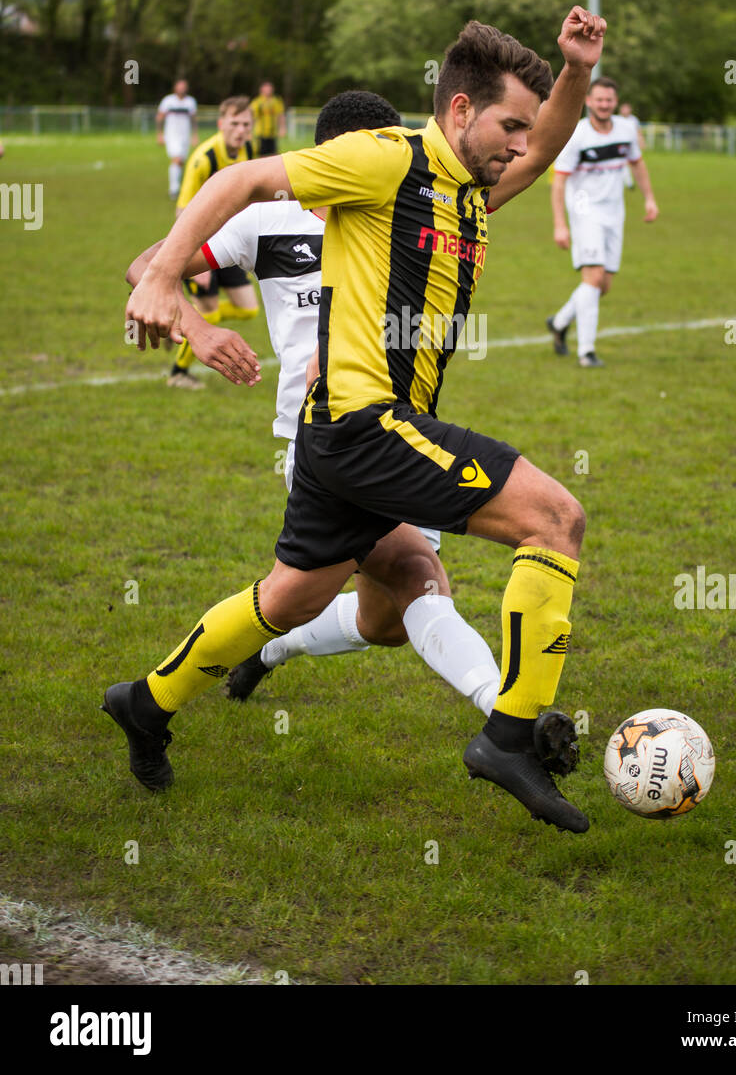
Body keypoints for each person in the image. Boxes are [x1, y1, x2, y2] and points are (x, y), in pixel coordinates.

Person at [107, 5, 605, 835]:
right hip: (366, 426)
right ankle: (510, 735)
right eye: (506, 125)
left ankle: (146, 702)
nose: (520, 145)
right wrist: (165, 285)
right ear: (457, 110)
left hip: (341, 436)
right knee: (555, 519)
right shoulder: (386, 159)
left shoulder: (468, 190)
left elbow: (549, 142)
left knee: (294, 600)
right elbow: (241, 182)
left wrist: (577, 69)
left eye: (524, 128)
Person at [126, 89, 503, 717]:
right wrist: (202, 331)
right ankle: (511, 720)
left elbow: (533, 154)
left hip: (405, 423)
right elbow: (147, 266)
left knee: (381, 620)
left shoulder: (414, 205)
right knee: (418, 576)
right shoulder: (269, 218)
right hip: (329, 433)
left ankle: (251, 658)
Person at [547, 76, 658, 367]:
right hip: (585, 211)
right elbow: (558, 182)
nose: (605, 104)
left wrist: (649, 198)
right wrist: (561, 224)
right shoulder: (578, 135)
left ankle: (559, 323)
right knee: (593, 279)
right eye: (599, 99)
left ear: (615, 102)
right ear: (588, 102)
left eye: (609, 100)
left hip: (614, 213)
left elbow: (637, 163)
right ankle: (587, 352)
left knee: (603, 285)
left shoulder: (626, 130)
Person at [167, 95, 260, 390]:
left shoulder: (248, 150)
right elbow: (183, 212)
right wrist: (194, 259)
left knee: (248, 309)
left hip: (229, 246)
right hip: (199, 248)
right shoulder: (203, 158)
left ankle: (178, 323)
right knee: (206, 316)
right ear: (221, 124)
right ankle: (178, 373)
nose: (240, 130)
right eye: (234, 123)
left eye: (246, 124)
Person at [156, 78, 198, 200]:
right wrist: (159, 134)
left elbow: (193, 120)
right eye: (179, 87)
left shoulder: (190, 102)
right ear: (175, 88)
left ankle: (177, 186)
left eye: (184, 87)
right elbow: (160, 117)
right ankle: (174, 189)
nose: (182, 89)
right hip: (171, 135)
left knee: (181, 162)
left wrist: (194, 135)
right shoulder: (168, 101)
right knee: (177, 159)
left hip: (184, 136)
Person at [250, 81, 286, 157]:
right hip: (260, 133)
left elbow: (280, 115)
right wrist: (249, 131)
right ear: (261, 90)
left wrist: (282, 128)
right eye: (266, 89)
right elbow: (252, 118)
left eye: (270, 89)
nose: (268, 91)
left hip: (272, 133)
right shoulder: (257, 102)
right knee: (261, 155)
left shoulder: (276, 101)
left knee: (274, 154)